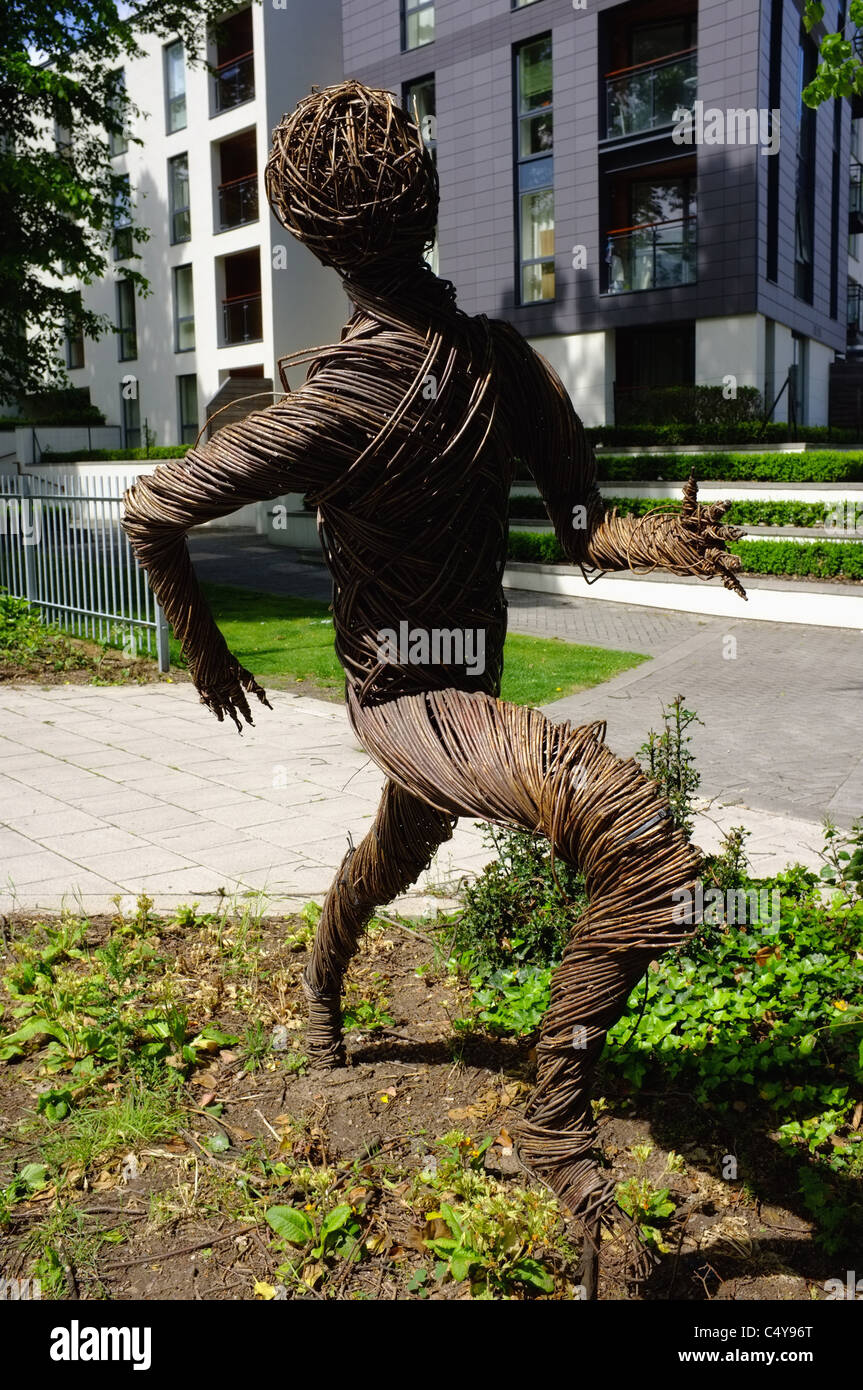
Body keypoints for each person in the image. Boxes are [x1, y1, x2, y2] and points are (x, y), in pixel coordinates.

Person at [122, 80, 745, 1233]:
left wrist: (665, 538)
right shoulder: (340, 406)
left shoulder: (490, 364)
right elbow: (156, 507)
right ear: (429, 201)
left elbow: (576, 523)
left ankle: (318, 992)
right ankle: (554, 1116)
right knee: (638, 839)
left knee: (393, 856)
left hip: (465, 689)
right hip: (405, 699)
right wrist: (206, 657)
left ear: (308, 238)